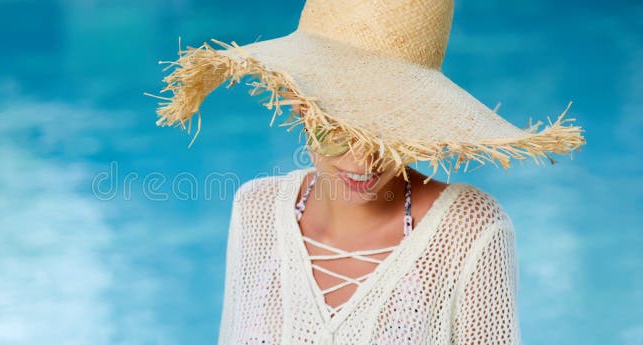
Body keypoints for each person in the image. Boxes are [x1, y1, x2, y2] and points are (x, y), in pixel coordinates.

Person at [148, 1, 585, 344]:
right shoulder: (256, 210)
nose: (364, 162)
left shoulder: (470, 232)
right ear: (300, 105)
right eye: (339, 126)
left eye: (387, 130)